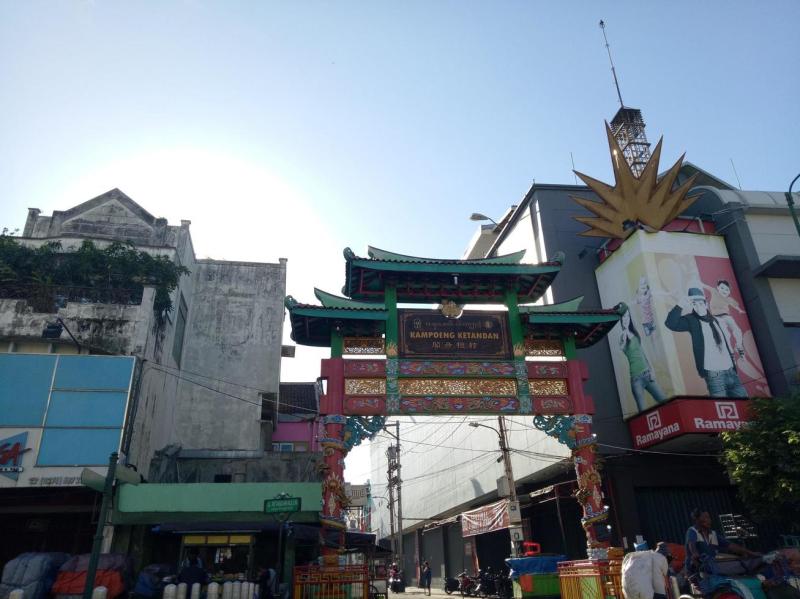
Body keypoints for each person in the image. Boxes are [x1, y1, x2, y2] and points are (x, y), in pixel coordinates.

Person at [665, 288, 747, 397]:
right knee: (722, 408)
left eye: (700, 303)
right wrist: (680, 305)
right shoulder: (692, 320)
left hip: (731, 372)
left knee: (746, 406)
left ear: (706, 304)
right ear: (692, 305)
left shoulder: (716, 319)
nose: (698, 306)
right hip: (714, 375)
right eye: (694, 304)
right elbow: (671, 324)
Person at [684, 508, 758, 583]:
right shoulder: (692, 531)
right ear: (697, 520)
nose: (709, 520)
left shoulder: (713, 534)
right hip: (696, 571)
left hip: (712, 569)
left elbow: (731, 545)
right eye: (705, 517)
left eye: (709, 517)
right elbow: (691, 545)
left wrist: (751, 553)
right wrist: (695, 554)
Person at [619, 308, 666, 411]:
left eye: (627, 316)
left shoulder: (635, 333)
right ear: (620, 320)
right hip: (636, 380)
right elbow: (622, 348)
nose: (625, 319)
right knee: (643, 412)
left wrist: (652, 369)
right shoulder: (622, 337)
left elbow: (644, 353)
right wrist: (624, 334)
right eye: (623, 317)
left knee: (664, 401)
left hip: (647, 374)